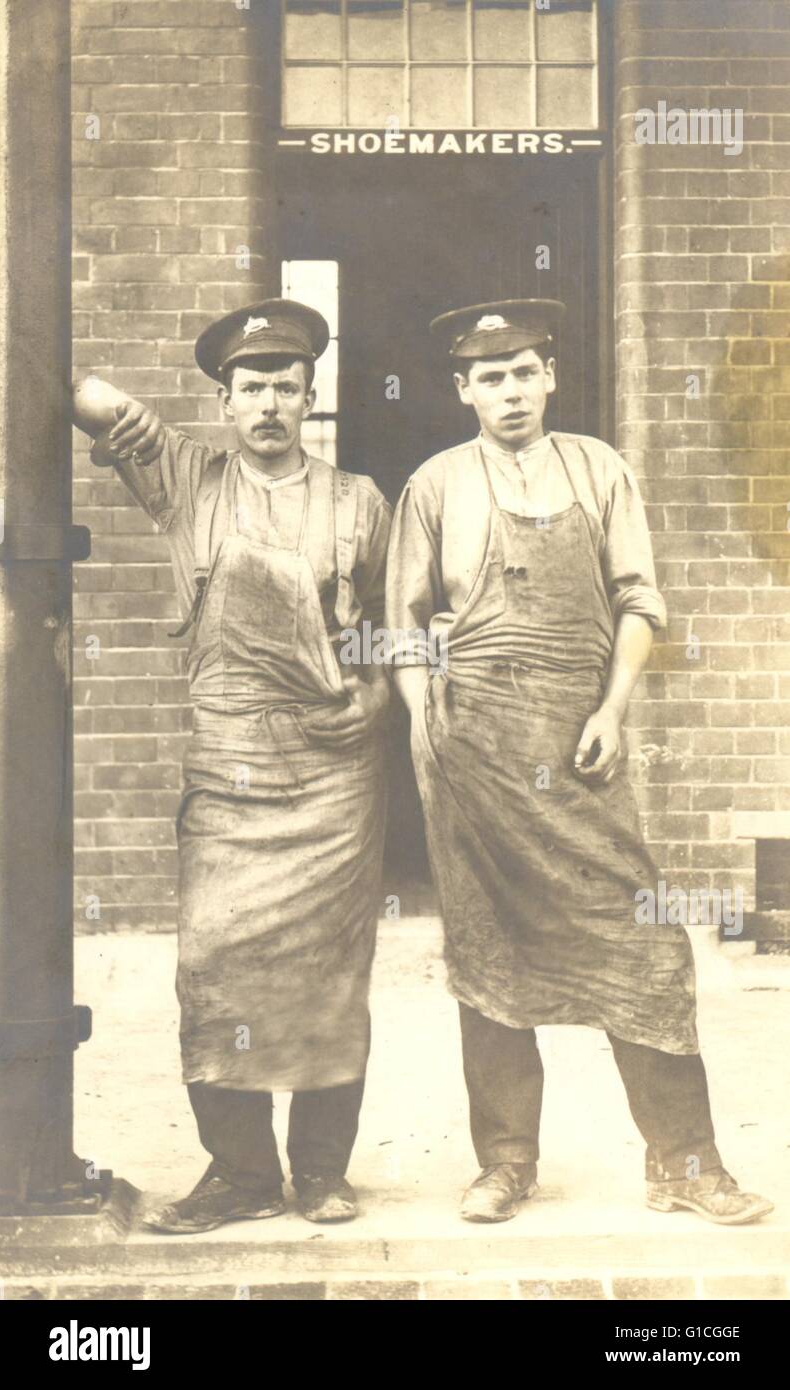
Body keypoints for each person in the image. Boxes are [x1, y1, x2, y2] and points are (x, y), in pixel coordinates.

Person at [385, 298, 773, 1226]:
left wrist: (610, 707)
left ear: (549, 376)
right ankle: (504, 1164)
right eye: (489, 376)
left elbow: (641, 602)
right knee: (488, 949)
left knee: (640, 946)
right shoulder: (434, 485)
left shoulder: (600, 470)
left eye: (523, 371)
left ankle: (684, 1161)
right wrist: (424, 728)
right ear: (461, 391)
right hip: (469, 745)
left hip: (578, 742)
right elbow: (401, 629)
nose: (509, 390)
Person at [73, 300, 391, 1232]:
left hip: (333, 772)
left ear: (309, 397)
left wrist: (373, 693)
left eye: (284, 389)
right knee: (213, 962)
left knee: (333, 974)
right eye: (249, 389)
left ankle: (323, 1172)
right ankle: (241, 1174)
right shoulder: (183, 479)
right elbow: (81, 395)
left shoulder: (359, 501)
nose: (267, 405)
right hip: (230, 760)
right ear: (223, 402)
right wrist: (122, 407)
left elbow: (392, 628)